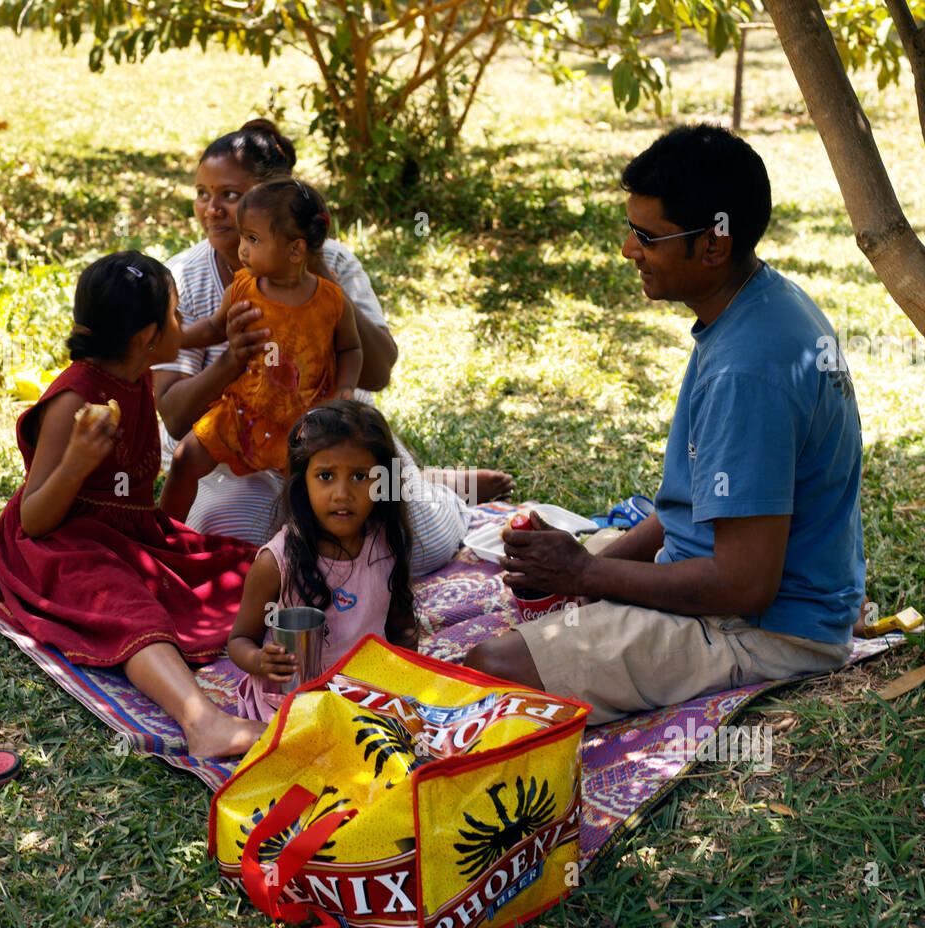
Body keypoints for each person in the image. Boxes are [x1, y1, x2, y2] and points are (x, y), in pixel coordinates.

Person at [464, 124, 865, 723]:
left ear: (713, 246)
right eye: (631, 230)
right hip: (737, 584)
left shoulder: (747, 370)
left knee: (489, 673)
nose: (629, 249)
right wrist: (591, 575)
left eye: (648, 237)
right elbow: (691, 506)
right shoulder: (757, 304)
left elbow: (745, 586)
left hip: (766, 630)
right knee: (536, 583)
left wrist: (588, 571)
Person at [153, 118, 512, 572]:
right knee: (239, 551)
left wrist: (317, 277)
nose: (212, 209)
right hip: (236, 449)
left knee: (418, 548)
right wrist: (230, 361)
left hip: (326, 440)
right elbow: (175, 416)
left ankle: (433, 489)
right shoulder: (186, 277)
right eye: (202, 193)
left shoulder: (333, 265)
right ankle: (421, 480)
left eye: (230, 195)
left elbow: (377, 373)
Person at [0, 250, 266, 759]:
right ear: (146, 338)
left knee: (241, 567)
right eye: (176, 314)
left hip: (132, 534)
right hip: (62, 545)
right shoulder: (74, 401)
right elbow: (34, 519)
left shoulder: (135, 358)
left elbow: (193, 333)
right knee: (129, 608)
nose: (184, 325)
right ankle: (201, 720)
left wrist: (227, 329)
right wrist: (75, 463)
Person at [159, 178, 362, 520]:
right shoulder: (243, 287)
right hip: (242, 412)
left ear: (295, 250)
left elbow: (351, 349)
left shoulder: (331, 301)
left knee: (306, 500)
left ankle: (300, 557)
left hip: (306, 420)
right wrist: (172, 339)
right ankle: (162, 537)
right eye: (242, 237)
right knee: (184, 459)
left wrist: (345, 387)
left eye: (253, 239)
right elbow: (213, 327)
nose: (242, 249)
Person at [229, 400, 417, 721]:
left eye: (360, 476)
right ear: (303, 481)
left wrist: (407, 673)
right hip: (294, 703)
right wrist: (260, 660)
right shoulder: (276, 562)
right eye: (326, 476)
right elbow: (239, 639)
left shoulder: (385, 544)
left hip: (366, 695)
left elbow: (401, 628)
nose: (342, 493)